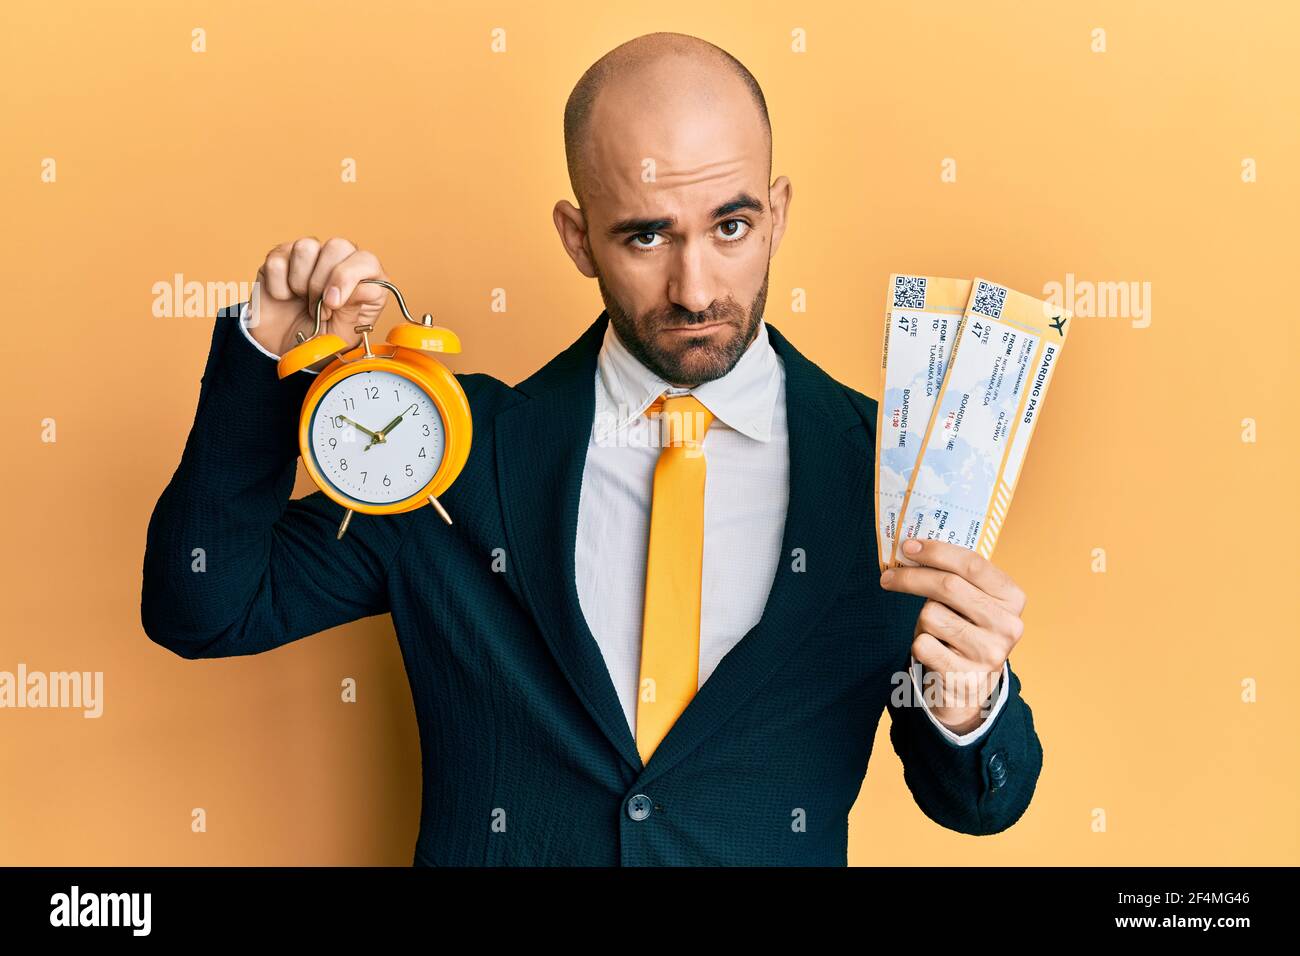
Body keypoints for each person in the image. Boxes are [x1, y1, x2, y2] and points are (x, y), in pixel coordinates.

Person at [141, 31, 1042, 866]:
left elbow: (977, 803)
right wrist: (265, 355)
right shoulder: (450, 452)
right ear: (577, 239)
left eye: (730, 227)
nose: (696, 290)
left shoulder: (886, 470)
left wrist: (968, 701)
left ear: (776, 214)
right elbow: (206, 606)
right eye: (647, 235)